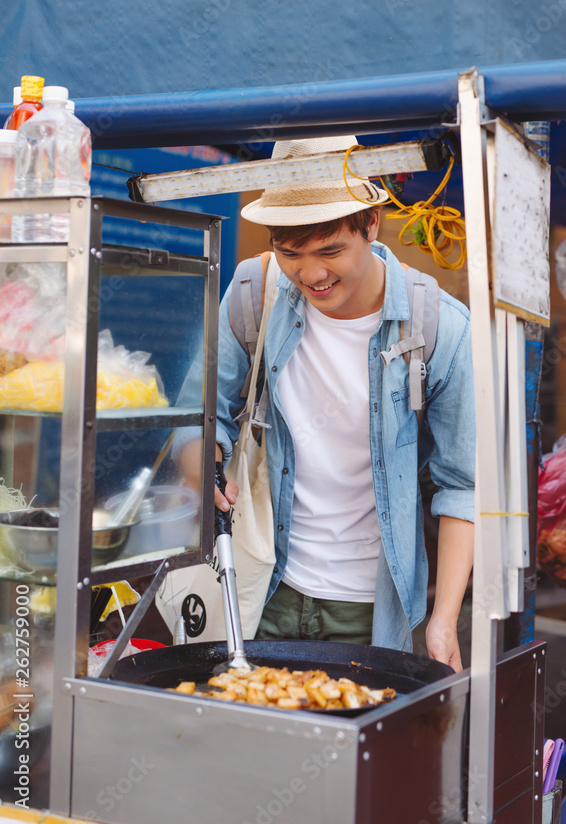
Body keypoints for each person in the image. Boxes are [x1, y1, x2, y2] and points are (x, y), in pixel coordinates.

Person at [178, 136, 475, 671]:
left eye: (330, 251)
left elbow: (463, 487)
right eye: (291, 253)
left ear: (371, 224)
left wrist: (444, 617)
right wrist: (204, 466)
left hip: (370, 610)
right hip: (259, 585)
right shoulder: (253, 292)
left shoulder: (439, 327)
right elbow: (196, 414)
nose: (311, 274)